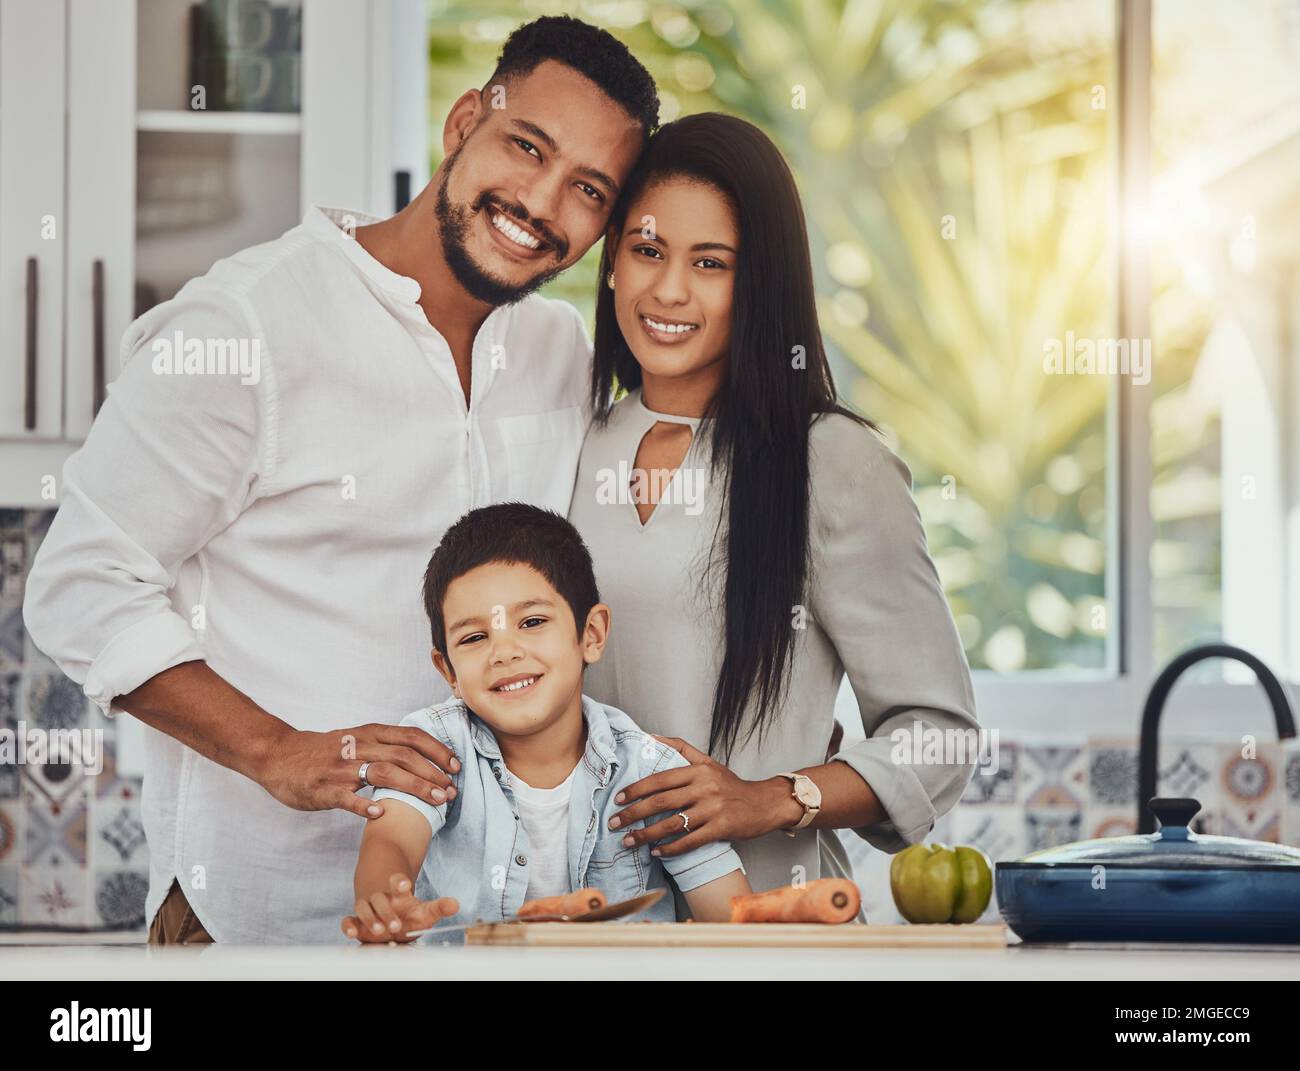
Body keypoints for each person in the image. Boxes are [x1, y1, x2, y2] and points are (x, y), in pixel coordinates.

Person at [22, 16, 659, 944]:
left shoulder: (559, 352)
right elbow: (80, 584)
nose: (540, 201)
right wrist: (276, 751)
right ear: (463, 121)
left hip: (474, 924)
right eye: (527, 146)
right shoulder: (246, 324)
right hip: (256, 918)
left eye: (587, 189)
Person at [567, 113, 980, 915]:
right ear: (613, 257)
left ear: (758, 284)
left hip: (773, 924)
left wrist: (770, 797)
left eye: (711, 263)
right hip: (592, 932)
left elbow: (940, 734)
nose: (670, 290)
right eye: (648, 250)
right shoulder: (572, 441)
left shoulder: (829, 460)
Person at [342, 503, 750, 943]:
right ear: (449, 672)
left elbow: (732, 918)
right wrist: (388, 898)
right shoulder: (436, 746)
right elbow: (392, 840)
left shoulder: (651, 770)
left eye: (532, 622)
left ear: (590, 635)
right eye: (475, 637)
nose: (505, 652)